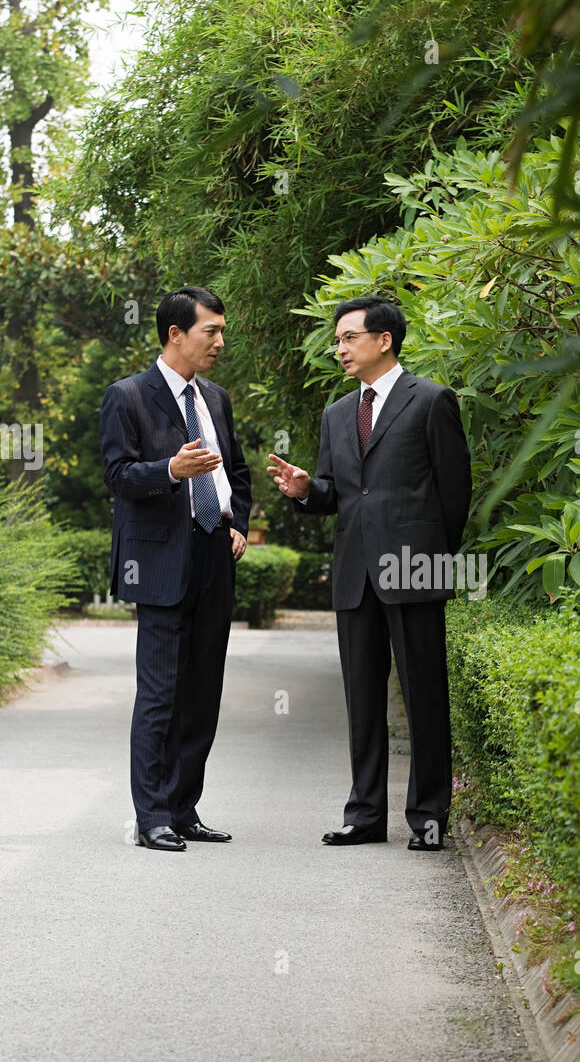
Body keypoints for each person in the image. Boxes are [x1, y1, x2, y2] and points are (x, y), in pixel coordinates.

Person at [268, 295, 472, 851]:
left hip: (414, 572)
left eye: (349, 338)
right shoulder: (337, 414)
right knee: (362, 699)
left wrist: (432, 559)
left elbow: (455, 496)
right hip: (354, 574)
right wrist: (307, 490)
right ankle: (363, 816)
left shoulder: (432, 401)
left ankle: (428, 819)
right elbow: (340, 494)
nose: (340, 349)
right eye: (337, 340)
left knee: (424, 696)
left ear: (384, 340)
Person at [100, 287, 251, 851]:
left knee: (203, 691)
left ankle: (185, 808)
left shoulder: (216, 398)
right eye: (211, 330)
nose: (219, 341)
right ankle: (152, 817)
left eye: (221, 329)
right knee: (160, 693)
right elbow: (118, 477)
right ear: (175, 335)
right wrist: (170, 468)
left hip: (216, 553)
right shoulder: (128, 396)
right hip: (159, 562)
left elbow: (237, 471)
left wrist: (238, 522)